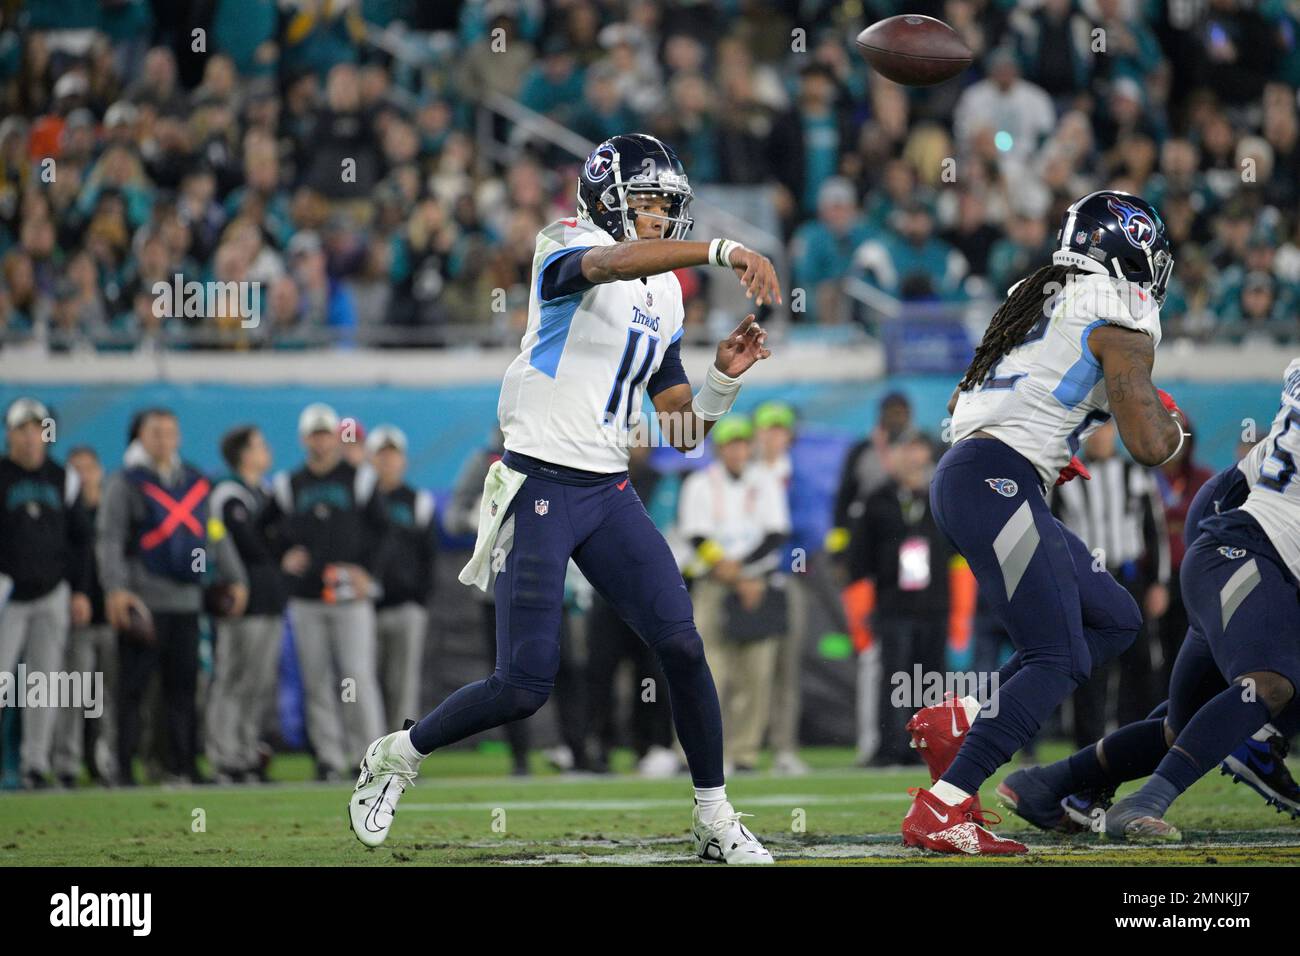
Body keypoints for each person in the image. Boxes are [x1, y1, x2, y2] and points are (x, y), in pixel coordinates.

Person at [350, 133, 783, 863]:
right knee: (524, 685)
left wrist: (723, 378)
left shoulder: (667, 295)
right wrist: (720, 251)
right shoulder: (565, 241)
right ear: (610, 200)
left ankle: (714, 815)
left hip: (607, 488)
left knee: (680, 641)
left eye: (670, 207)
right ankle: (399, 752)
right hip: (540, 482)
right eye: (651, 204)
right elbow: (609, 264)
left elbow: (680, 429)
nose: (663, 218)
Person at [901, 190, 1185, 855]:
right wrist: (1167, 424)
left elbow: (963, 397)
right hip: (994, 481)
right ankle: (943, 807)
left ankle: (962, 717)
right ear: (1125, 254)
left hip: (980, 474)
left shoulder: (1040, 288)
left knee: (1113, 617)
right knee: (1055, 655)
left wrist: (1048, 444)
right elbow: (1148, 445)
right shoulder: (1121, 311)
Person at [999, 367, 1300, 837]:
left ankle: (1050, 783)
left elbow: (1215, 495)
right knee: (1269, 685)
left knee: (1187, 727)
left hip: (1234, 561)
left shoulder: (1283, 434)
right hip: (1245, 561)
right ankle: (1158, 794)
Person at [99, 408, 248, 785]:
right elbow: (110, 539)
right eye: (155, 433)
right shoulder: (125, 483)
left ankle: (183, 765)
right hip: (143, 603)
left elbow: (213, 531)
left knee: (183, 691)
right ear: (140, 437)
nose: (164, 440)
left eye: (170, 432)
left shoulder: (195, 482)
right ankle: (122, 767)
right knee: (132, 692)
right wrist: (116, 589)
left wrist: (236, 578)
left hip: (187, 601)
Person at [271, 402, 388, 782]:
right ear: (305, 439)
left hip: (350, 596)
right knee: (316, 678)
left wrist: (368, 575)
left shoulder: (360, 479)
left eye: (326, 434)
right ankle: (329, 756)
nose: (321, 442)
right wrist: (282, 555)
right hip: (306, 596)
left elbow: (386, 535)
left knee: (356, 675)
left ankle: (368, 753)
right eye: (315, 434)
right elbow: (262, 531)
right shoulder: (288, 484)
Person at [848, 432, 974, 766]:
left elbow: (958, 556)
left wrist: (960, 612)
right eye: (906, 450)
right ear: (894, 457)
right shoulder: (876, 500)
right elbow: (858, 561)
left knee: (930, 678)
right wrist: (862, 610)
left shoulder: (940, 499)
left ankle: (927, 748)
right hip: (893, 605)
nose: (913, 458)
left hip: (934, 604)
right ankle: (888, 747)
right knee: (893, 677)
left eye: (919, 451)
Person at [678, 415, 791, 774]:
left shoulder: (766, 482)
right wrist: (728, 569)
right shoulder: (700, 483)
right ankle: (693, 752)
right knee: (706, 667)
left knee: (756, 672)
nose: (738, 450)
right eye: (731, 444)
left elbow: (776, 533)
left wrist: (741, 570)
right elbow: (696, 535)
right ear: (720, 448)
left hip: (755, 584)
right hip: (715, 582)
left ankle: (744, 752)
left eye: (743, 443)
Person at [1050, 419, 1171, 738]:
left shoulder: (1137, 474)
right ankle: (1088, 741)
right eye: (1092, 432)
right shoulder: (1066, 479)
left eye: (1104, 429)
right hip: (1086, 581)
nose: (1099, 437)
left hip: (1129, 577)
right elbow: (1053, 535)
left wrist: (1159, 582)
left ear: (1115, 433)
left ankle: (1140, 737)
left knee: (1140, 661)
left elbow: (1154, 530)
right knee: (1090, 663)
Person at [0, 398, 93, 788]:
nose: (29, 437)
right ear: (10, 434)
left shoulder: (64, 478)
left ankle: (35, 765)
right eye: (22, 429)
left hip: (53, 591)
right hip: (6, 592)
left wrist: (81, 591)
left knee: (43, 684)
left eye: (36, 428)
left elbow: (80, 541)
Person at [445, 427, 532, 775]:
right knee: (508, 672)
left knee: (563, 666)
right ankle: (520, 756)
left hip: (542, 582)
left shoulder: (548, 458)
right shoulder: (483, 463)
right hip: (496, 588)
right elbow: (453, 518)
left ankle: (574, 749)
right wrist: (482, 517)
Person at [206, 425, 287, 783]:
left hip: (268, 600)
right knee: (233, 679)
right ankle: (224, 756)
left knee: (258, 682)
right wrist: (274, 544)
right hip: (241, 602)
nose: (266, 450)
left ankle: (245, 751)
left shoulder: (262, 492)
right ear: (243, 454)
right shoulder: (228, 493)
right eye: (259, 445)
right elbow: (250, 544)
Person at [749, 400, 809, 775]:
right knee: (749, 671)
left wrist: (784, 562)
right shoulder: (744, 475)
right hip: (749, 579)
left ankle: (784, 747)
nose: (772, 437)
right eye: (767, 429)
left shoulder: (797, 479)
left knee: (787, 668)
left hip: (785, 579)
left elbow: (808, 529)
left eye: (779, 429)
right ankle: (744, 748)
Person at [53, 445, 116, 787]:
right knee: (75, 695)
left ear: (99, 472)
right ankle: (67, 765)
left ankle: (105, 764)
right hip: (76, 619)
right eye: (74, 470)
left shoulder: (110, 510)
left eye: (88, 469)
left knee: (106, 700)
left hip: (110, 618)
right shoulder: (61, 514)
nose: (82, 476)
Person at [366, 425, 436, 732]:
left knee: (403, 685)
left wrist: (419, 597)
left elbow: (429, 557)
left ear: (403, 460)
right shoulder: (361, 500)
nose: (387, 462)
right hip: (365, 607)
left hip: (406, 605)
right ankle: (366, 748)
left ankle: (400, 751)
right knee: (362, 683)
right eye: (381, 456)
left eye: (392, 455)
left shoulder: (417, 501)